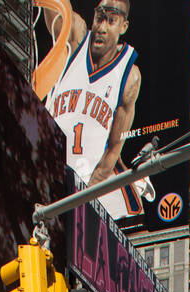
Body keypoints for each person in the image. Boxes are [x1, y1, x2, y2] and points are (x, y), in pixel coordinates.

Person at [39, 0, 144, 220]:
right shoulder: (76, 36)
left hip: (83, 181)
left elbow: (113, 150)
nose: (102, 27)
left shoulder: (129, 76)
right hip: (44, 162)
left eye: (111, 21)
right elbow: (53, 7)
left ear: (123, 26)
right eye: (99, 18)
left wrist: (83, 197)